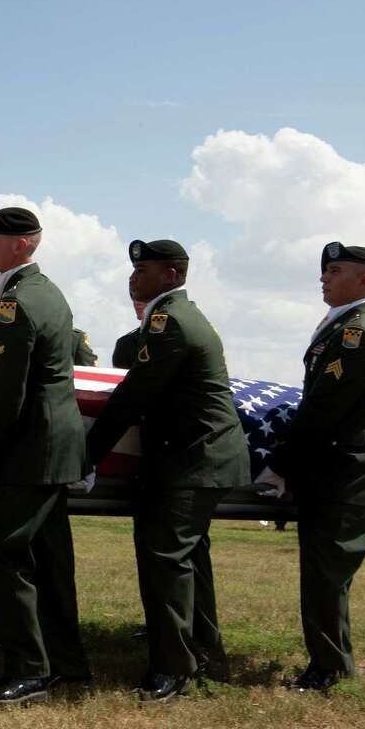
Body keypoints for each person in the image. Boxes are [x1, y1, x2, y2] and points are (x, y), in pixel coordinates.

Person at [86, 239, 249, 701]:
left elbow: (132, 396)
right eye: (134, 270)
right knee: (189, 558)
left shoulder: (168, 321)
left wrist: (86, 454)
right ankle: (205, 653)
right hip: (197, 456)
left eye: (145, 271)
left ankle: (172, 669)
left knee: (166, 562)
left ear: (172, 275)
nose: (133, 278)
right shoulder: (181, 316)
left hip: (191, 459)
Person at [269, 242, 365, 693]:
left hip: (352, 473)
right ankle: (333, 664)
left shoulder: (358, 333)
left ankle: (327, 670)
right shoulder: (345, 326)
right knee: (326, 575)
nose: (324, 277)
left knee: (325, 576)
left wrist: (277, 464)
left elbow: (323, 408)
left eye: (336, 270)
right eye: (325, 270)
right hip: (342, 471)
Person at [0, 206, 89, 705]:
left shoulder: (17, 304)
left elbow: (6, 395)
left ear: (23, 245)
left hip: (31, 448)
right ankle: (67, 663)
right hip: (55, 445)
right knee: (49, 556)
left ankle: (29, 671)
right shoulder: (47, 293)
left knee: (0, 551)